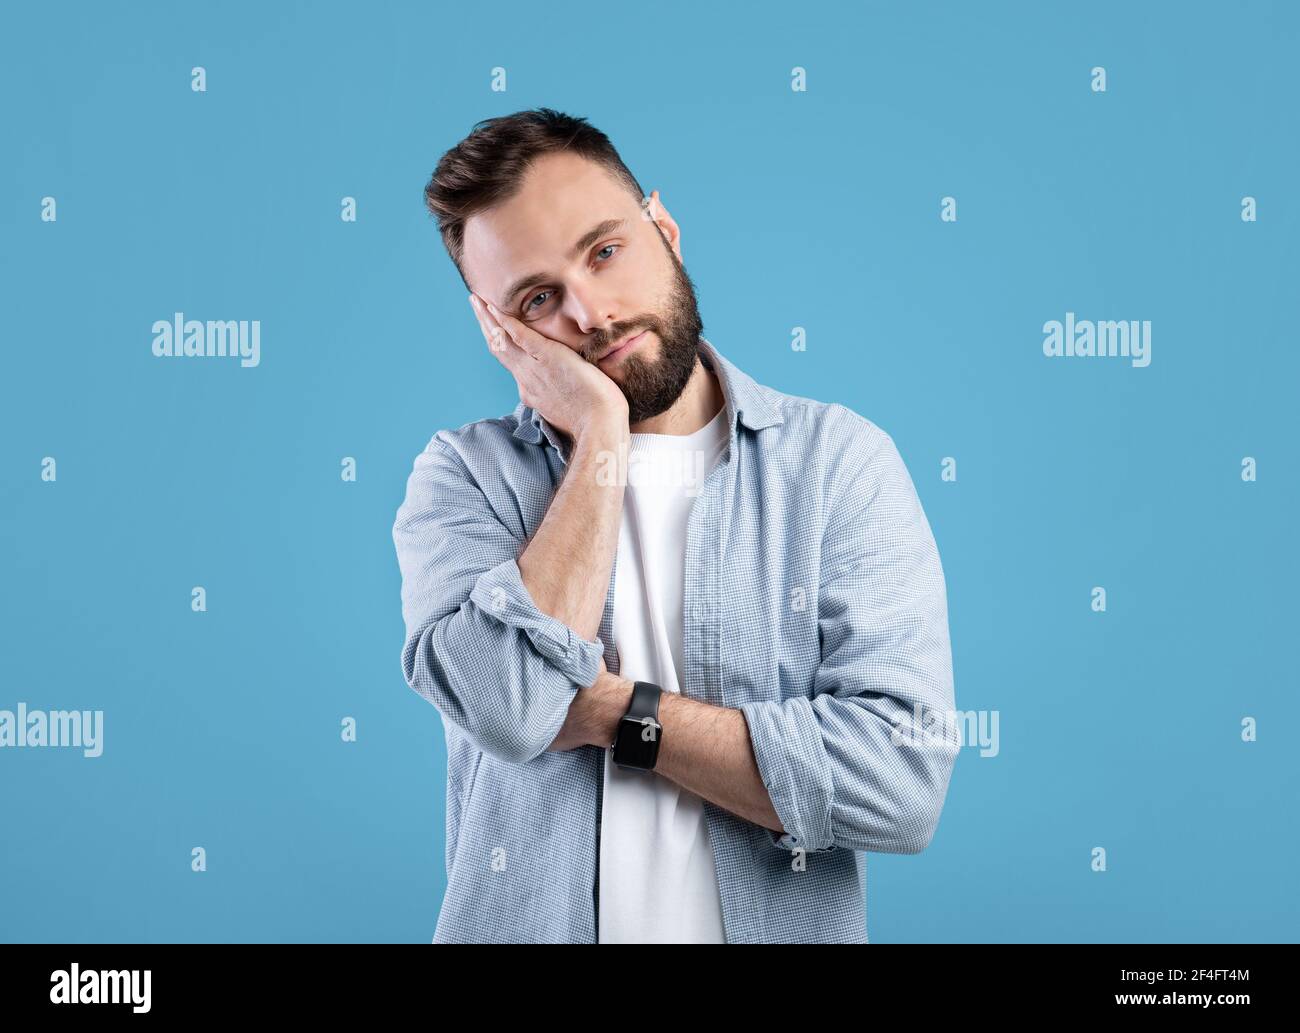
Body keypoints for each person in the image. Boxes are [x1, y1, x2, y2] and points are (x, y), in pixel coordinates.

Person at [393, 108, 959, 943]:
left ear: (665, 228)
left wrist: (621, 713)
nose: (589, 314)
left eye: (605, 251)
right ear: (497, 330)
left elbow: (901, 782)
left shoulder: (839, 463)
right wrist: (601, 438)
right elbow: (514, 707)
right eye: (539, 299)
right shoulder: (466, 477)